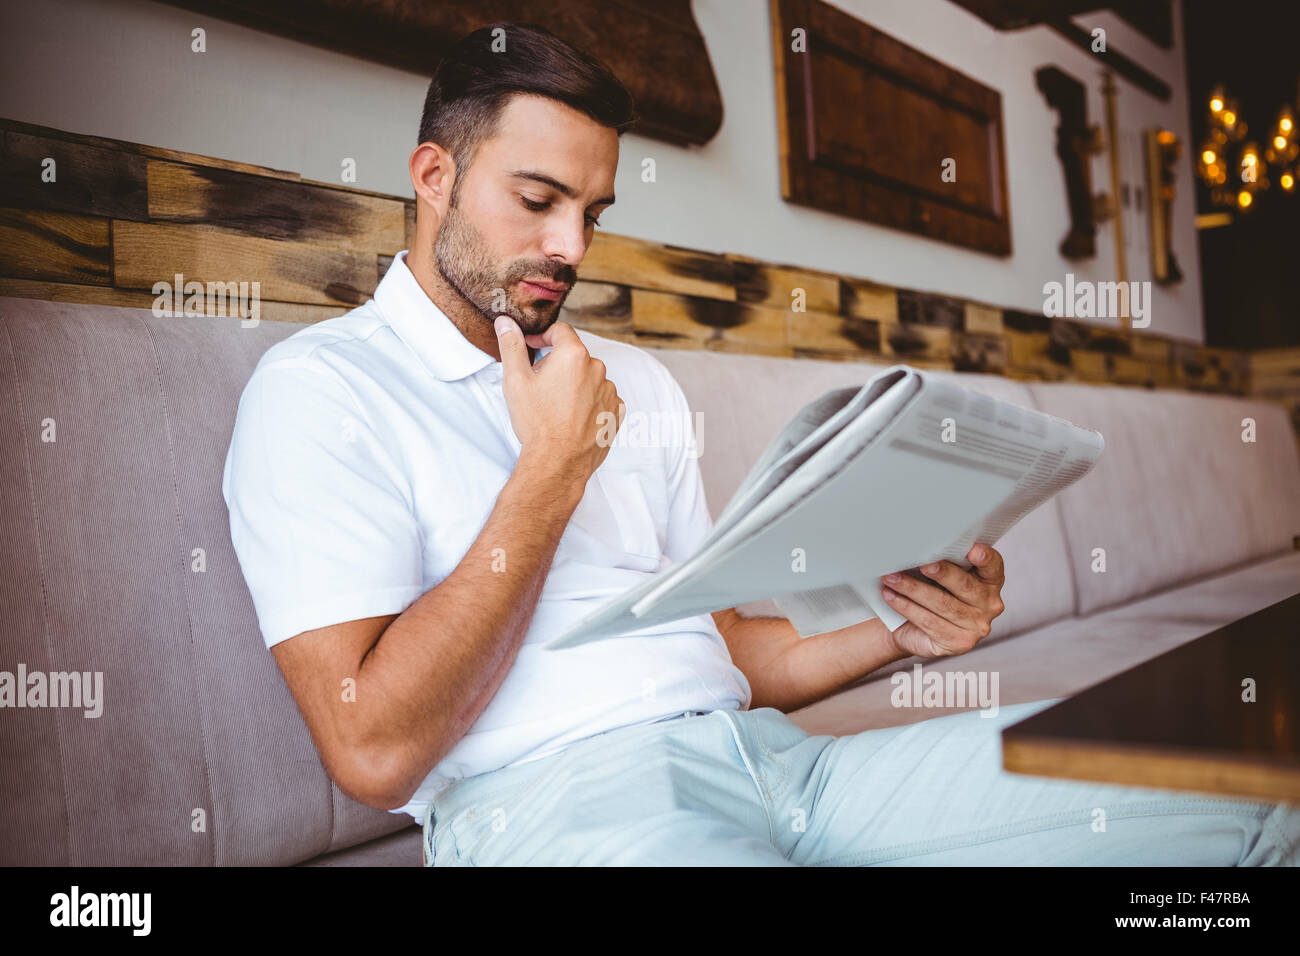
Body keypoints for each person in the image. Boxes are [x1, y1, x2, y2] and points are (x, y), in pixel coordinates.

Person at [222, 22, 1298, 866]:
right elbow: (370, 749)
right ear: (433, 176)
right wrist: (549, 472)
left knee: (1243, 781)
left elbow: (721, 647)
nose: (569, 247)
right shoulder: (322, 390)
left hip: (780, 766)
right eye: (538, 199)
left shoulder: (628, 380)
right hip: (553, 803)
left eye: (592, 212)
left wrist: (898, 625)